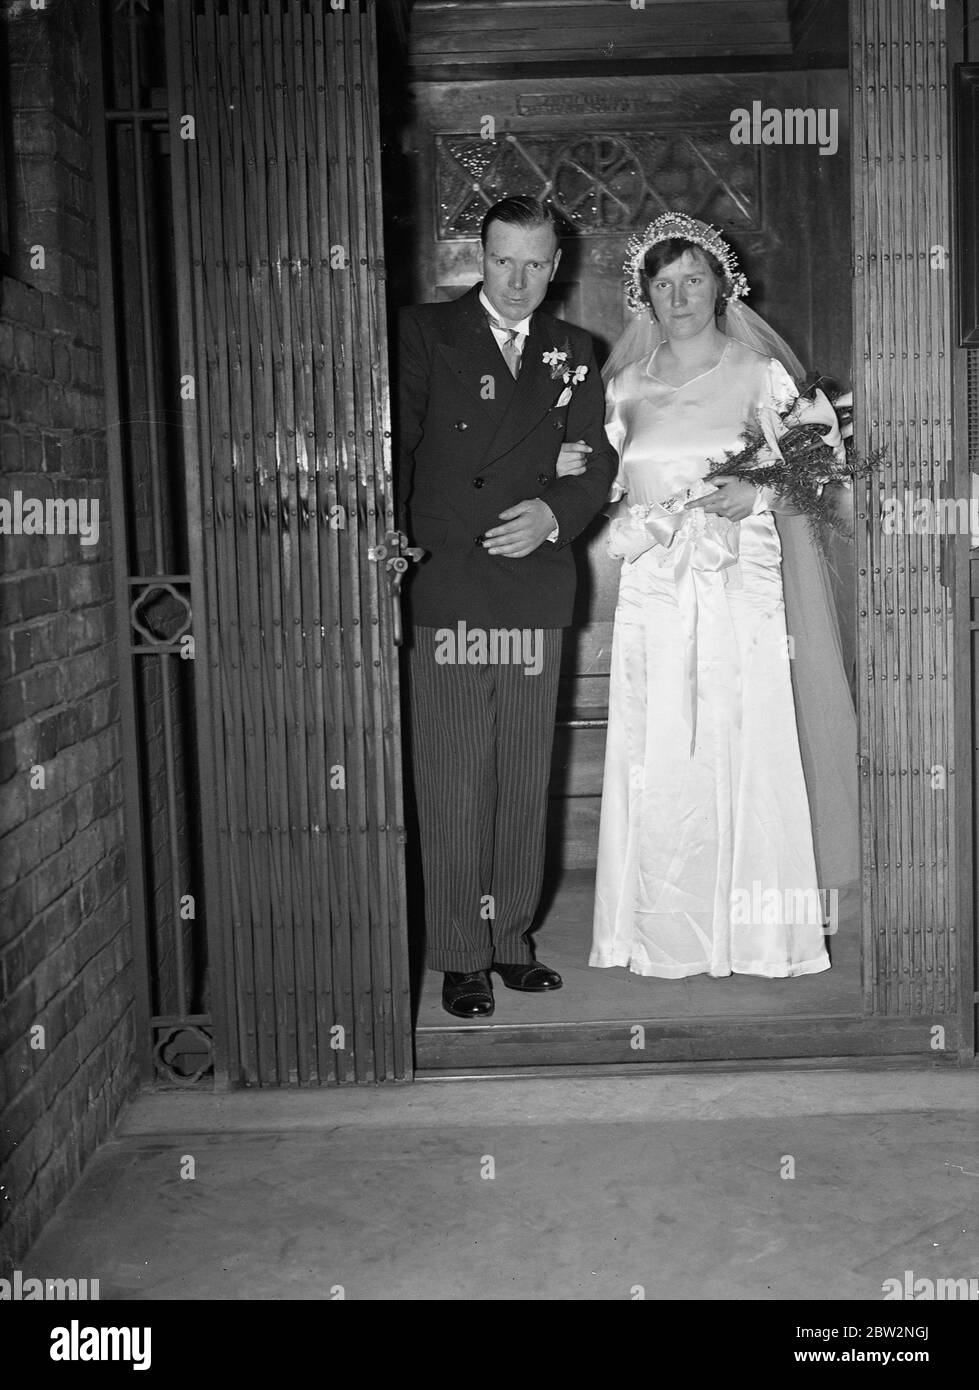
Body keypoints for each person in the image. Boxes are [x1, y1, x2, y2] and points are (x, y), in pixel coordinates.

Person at [584, 211, 854, 979]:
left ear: (720, 286)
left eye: (693, 279)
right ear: (644, 295)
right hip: (655, 597)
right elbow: (597, 486)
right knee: (660, 751)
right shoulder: (622, 388)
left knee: (747, 742)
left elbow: (813, 466)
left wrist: (758, 496)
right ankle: (657, 934)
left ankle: (763, 937)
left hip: (742, 586)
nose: (679, 296)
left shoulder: (757, 373)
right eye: (663, 283)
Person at [399, 195, 617, 1018]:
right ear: (478, 258)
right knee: (455, 772)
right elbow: (407, 453)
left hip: (533, 584)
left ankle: (510, 942)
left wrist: (553, 514)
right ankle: (458, 951)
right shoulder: (423, 334)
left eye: (535, 262)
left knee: (524, 773)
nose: (518, 279)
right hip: (451, 581)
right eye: (502, 261)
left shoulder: (574, 350)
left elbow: (592, 462)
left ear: (554, 265)